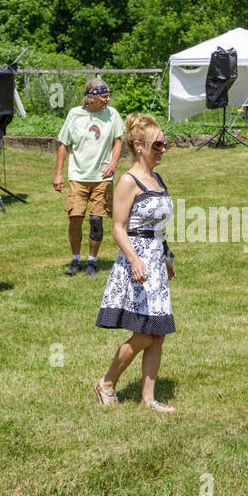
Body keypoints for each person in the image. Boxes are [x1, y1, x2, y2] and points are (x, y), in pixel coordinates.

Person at [94, 113, 176, 412]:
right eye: (157, 145)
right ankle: (106, 382)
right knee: (143, 332)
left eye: (164, 144)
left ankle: (149, 399)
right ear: (139, 146)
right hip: (137, 264)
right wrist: (134, 259)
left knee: (158, 335)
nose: (163, 149)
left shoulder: (157, 179)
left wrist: (167, 257)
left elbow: (158, 227)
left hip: (156, 261)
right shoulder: (128, 181)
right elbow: (118, 227)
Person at [54, 77, 123, 276]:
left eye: (108, 95)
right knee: (75, 218)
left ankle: (92, 261)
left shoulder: (112, 114)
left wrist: (113, 164)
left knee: (96, 220)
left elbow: (118, 141)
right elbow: (63, 145)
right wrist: (58, 174)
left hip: (102, 177)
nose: (107, 99)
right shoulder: (75, 115)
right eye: (103, 96)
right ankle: (76, 260)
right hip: (78, 176)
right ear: (91, 97)